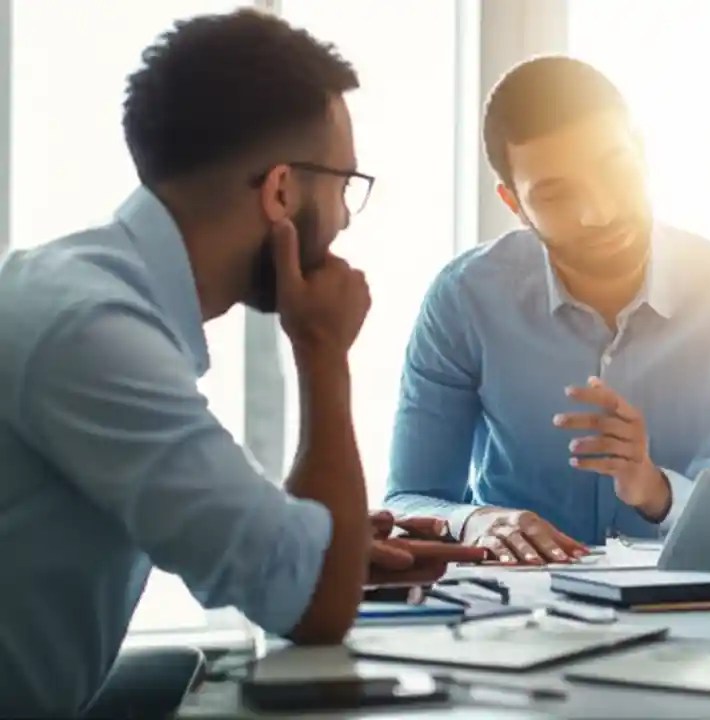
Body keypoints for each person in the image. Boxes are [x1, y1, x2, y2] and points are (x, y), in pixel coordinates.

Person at [0, 11, 481, 716]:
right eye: (345, 184)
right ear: (282, 190)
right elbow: (312, 606)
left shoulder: (90, 296)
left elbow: (257, 547)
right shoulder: (90, 332)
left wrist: (327, 542)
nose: (345, 219)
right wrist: (323, 352)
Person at [386, 56, 710, 563]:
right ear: (514, 205)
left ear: (642, 152)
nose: (600, 212)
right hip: (513, 611)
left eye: (614, 170)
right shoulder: (464, 298)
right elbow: (407, 499)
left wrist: (659, 492)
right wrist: (476, 520)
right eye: (554, 195)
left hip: (686, 602)